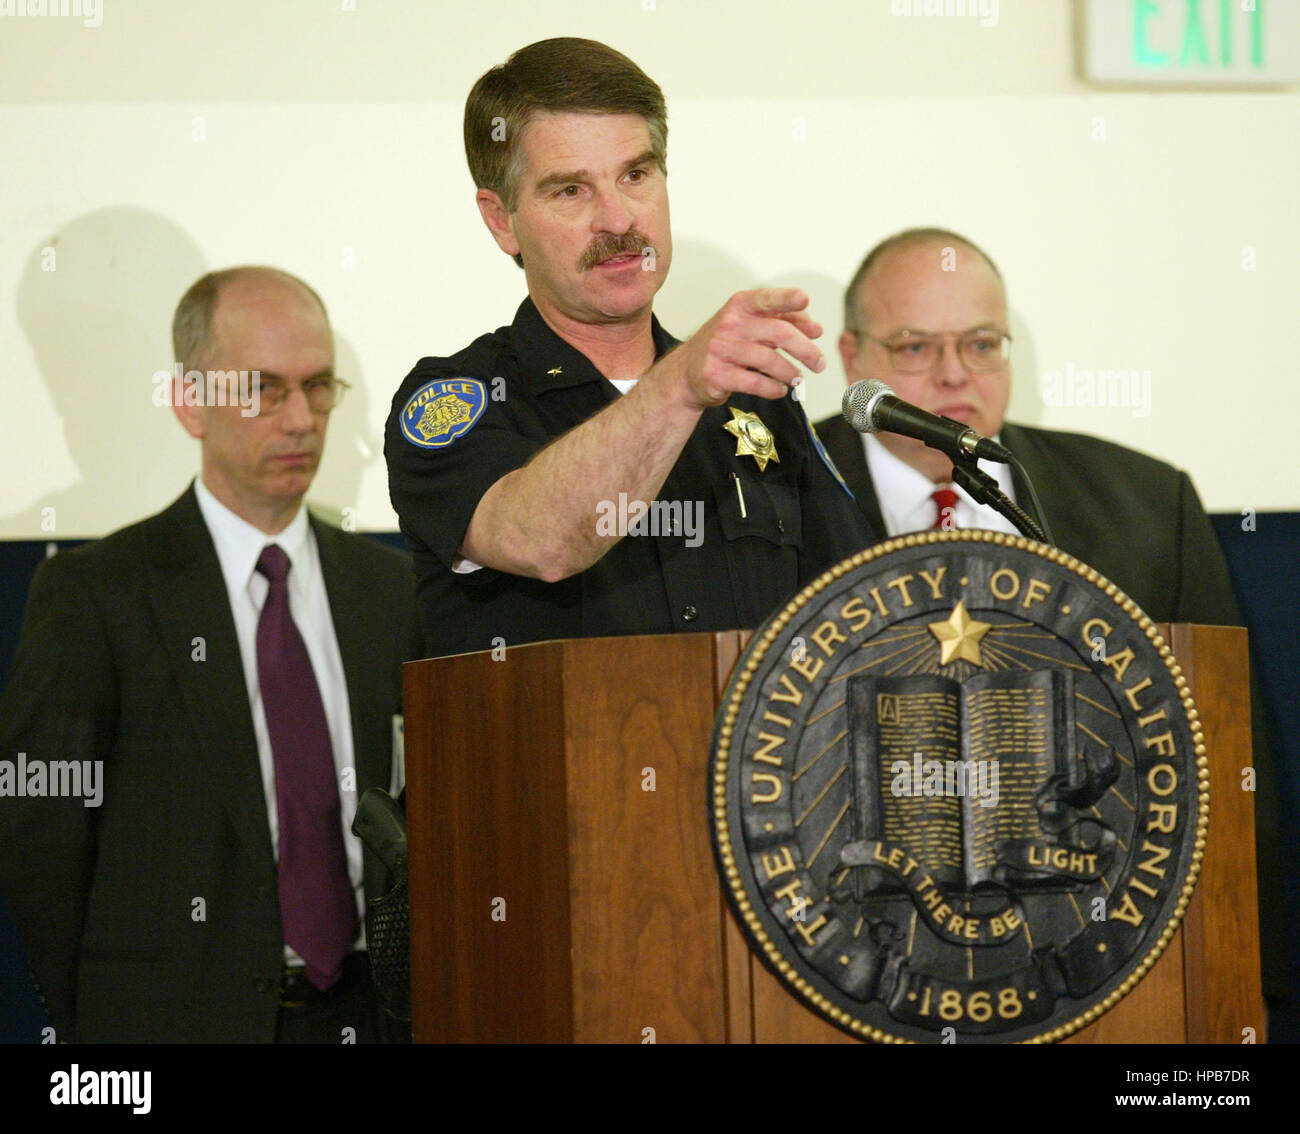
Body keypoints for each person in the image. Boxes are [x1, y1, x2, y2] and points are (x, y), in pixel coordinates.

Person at [815, 226, 1286, 1003]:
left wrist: (1243, 963)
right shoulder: (772, 503)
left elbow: (1231, 759)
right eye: (913, 349)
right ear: (851, 357)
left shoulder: (1144, 503)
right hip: (853, 946)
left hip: (1096, 946)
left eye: (982, 344)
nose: (953, 376)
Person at [0, 267, 420, 1042]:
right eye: (262, 389)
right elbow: (41, 844)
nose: (300, 420)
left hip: (371, 1021)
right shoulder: (96, 595)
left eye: (318, 386)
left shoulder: (390, 591)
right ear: (190, 402)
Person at [385, 38, 875, 658]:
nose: (618, 220)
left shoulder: (755, 402)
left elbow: (855, 613)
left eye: (635, 175)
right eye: (570, 190)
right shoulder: (457, 399)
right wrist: (680, 385)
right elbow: (539, 541)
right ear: (501, 219)